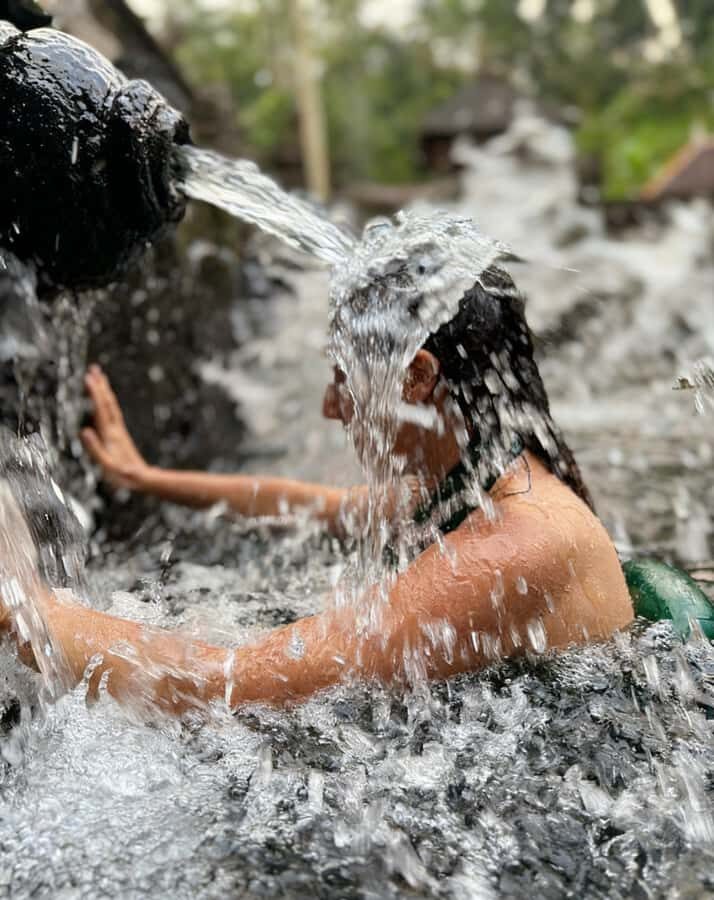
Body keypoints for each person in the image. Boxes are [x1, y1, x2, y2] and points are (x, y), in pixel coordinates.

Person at [0, 262, 634, 716]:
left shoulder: (519, 545)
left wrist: (24, 606)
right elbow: (303, 502)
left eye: (343, 378)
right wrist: (147, 478)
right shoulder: (475, 484)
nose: (333, 408)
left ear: (415, 377)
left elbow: (231, 686)